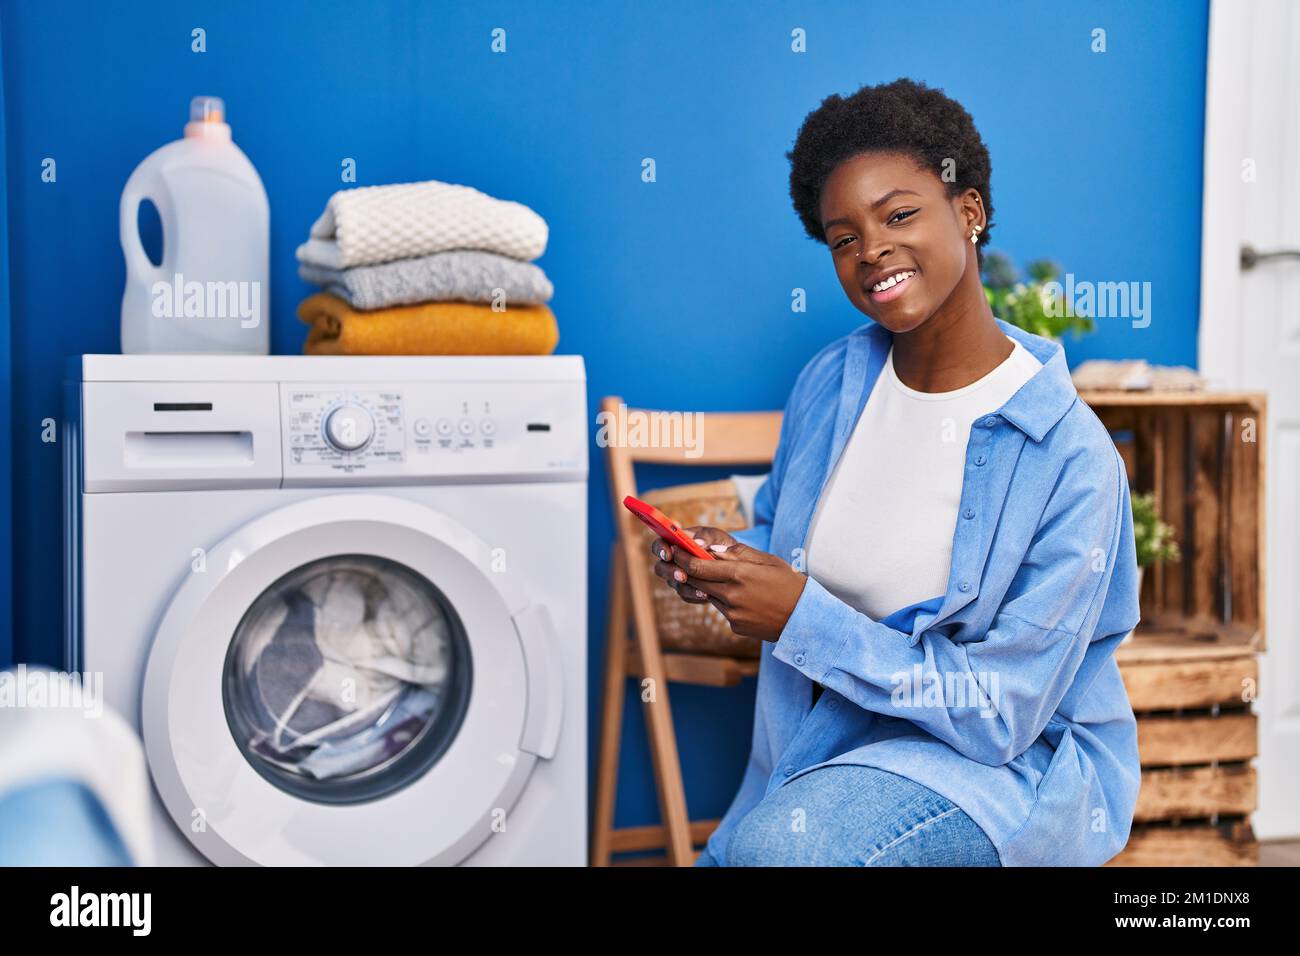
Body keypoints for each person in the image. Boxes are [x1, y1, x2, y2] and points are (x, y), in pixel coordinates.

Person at [651, 78, 1141, 867]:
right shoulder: (831, 384)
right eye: (843, 238)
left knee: (784, 854)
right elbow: (794, 540)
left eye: (900, 214)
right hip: (831, 740)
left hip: (998, 768)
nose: (871, 249)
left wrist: (798, 616)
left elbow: (998, 713)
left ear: (970, 213)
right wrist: (724, 559)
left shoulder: (1071, 458)